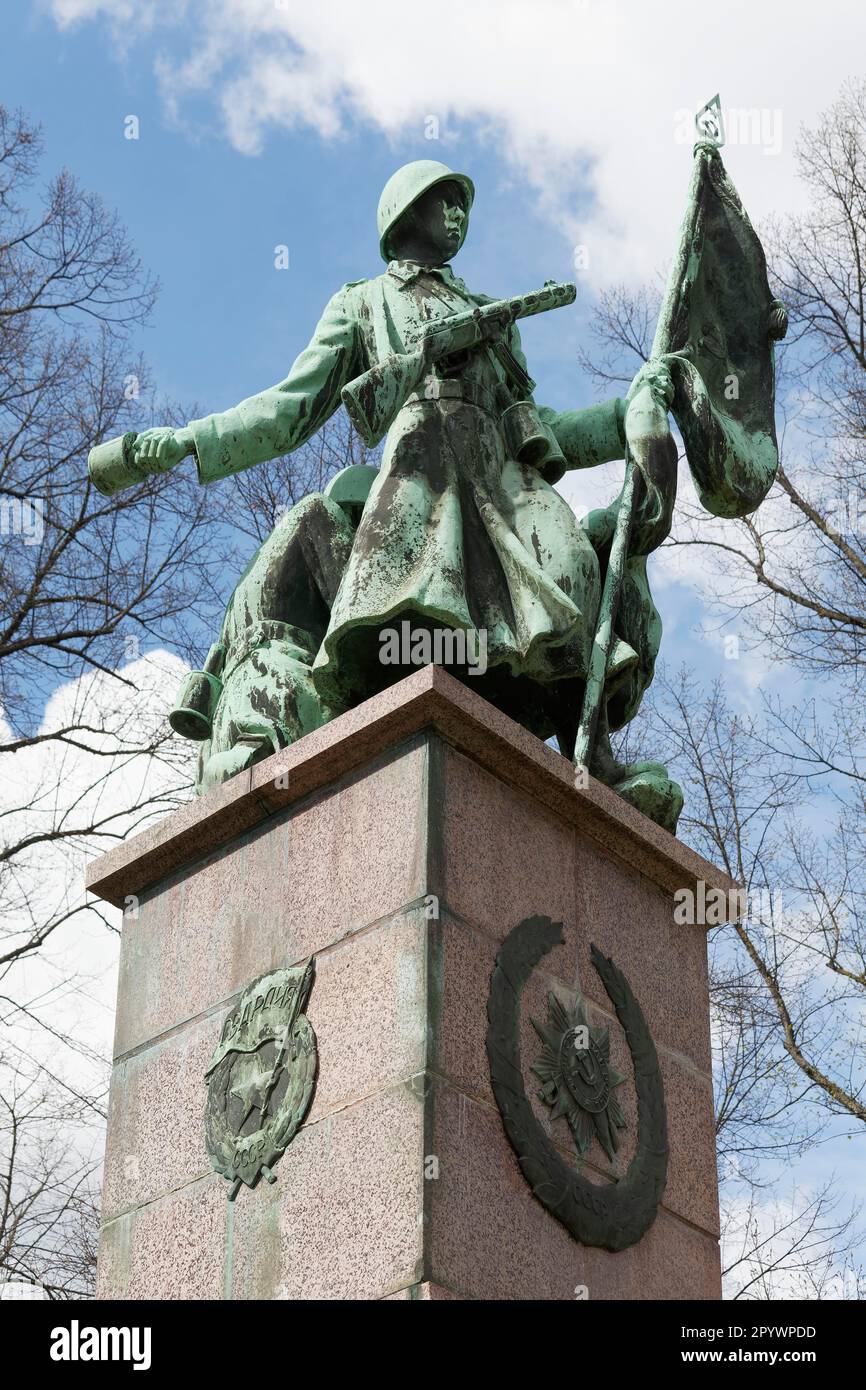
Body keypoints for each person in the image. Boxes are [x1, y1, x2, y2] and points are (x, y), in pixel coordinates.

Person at [131, 160, 681, 826]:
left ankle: (596, 755)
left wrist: (627, 415)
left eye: (463, 206)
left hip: (502, 474)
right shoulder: (360, 302)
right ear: (403, 213)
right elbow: (289, 410)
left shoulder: (493, 317)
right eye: (442, 202)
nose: (458, 216)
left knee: (571, 570)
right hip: (423, 465)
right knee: (416, 604)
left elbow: (541, 426)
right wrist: (194, 439)